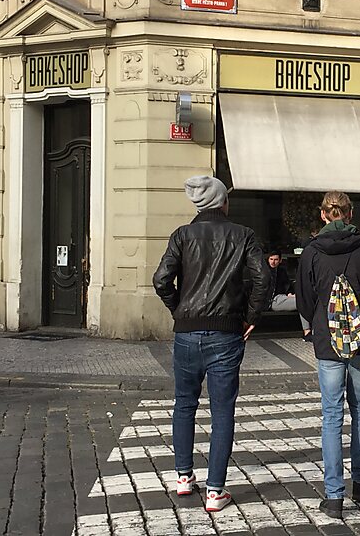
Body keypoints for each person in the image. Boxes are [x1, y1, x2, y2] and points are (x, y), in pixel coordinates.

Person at [152, 175, 268, 513]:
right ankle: (216, 491)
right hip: (227, 333)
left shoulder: (182, 235)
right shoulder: (242, 235)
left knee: (184, 403)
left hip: (187, 334)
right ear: (223, 202)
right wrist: (250, 317)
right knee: (222, 410)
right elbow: (263, 277)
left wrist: (179, 309)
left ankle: (184, 478)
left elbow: (161, 279)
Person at [297, 191, 360, 519]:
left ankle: (334, 495)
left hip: (328, 342)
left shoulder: (312, 251)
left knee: (331, 415)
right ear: (350, 214)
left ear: (323, 215)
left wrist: (317, 322)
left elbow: (304, 298)